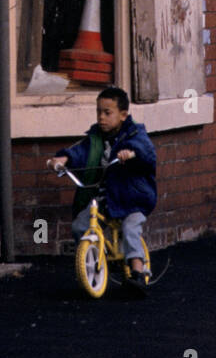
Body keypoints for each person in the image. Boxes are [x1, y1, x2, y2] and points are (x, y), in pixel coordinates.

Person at [46, 86, 157, 294]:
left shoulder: (134, 133)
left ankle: (137, 273)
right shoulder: (95, 138)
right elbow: (79, 150)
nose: (101, 117)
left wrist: (131, 153)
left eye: (107, 113)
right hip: (105, 197)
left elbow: (147, 152)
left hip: (131, 196)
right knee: (81, 224)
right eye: (99, 112)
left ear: (123, 115)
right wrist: (63, 159)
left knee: (130, 228)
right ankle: (95, 258)